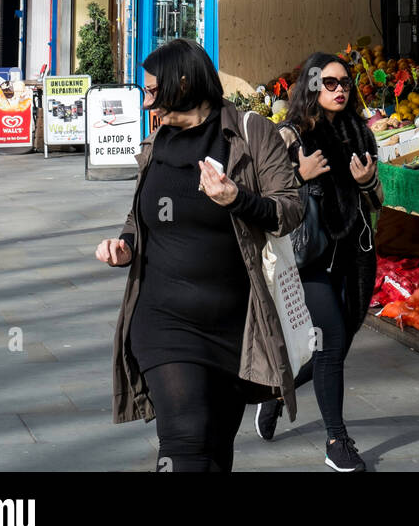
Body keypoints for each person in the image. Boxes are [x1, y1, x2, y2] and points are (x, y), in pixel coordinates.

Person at [96, 39, 304, 473]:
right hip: (163, 320)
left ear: (184, 84)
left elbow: (290, 209)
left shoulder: (250, 132)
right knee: (185, 441)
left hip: (235, 328)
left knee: (214, 450)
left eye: (153, 91)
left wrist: (237, 198)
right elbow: (141, 217)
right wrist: (124, 245)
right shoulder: (156, 142)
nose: (147, 100)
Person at [255, 51, 383, 473]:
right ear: (312, 86)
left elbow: (378, 201)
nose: (340, 89)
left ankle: (278, 394)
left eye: (345, 82)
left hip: (352, 257)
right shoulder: (290, 135)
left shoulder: (359, 134)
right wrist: (299, 175)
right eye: (329, 82)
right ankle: (337, 441)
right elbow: (258, 191)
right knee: (328, 341)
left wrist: (367, 182)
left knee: (336, 347)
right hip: (308, 256)